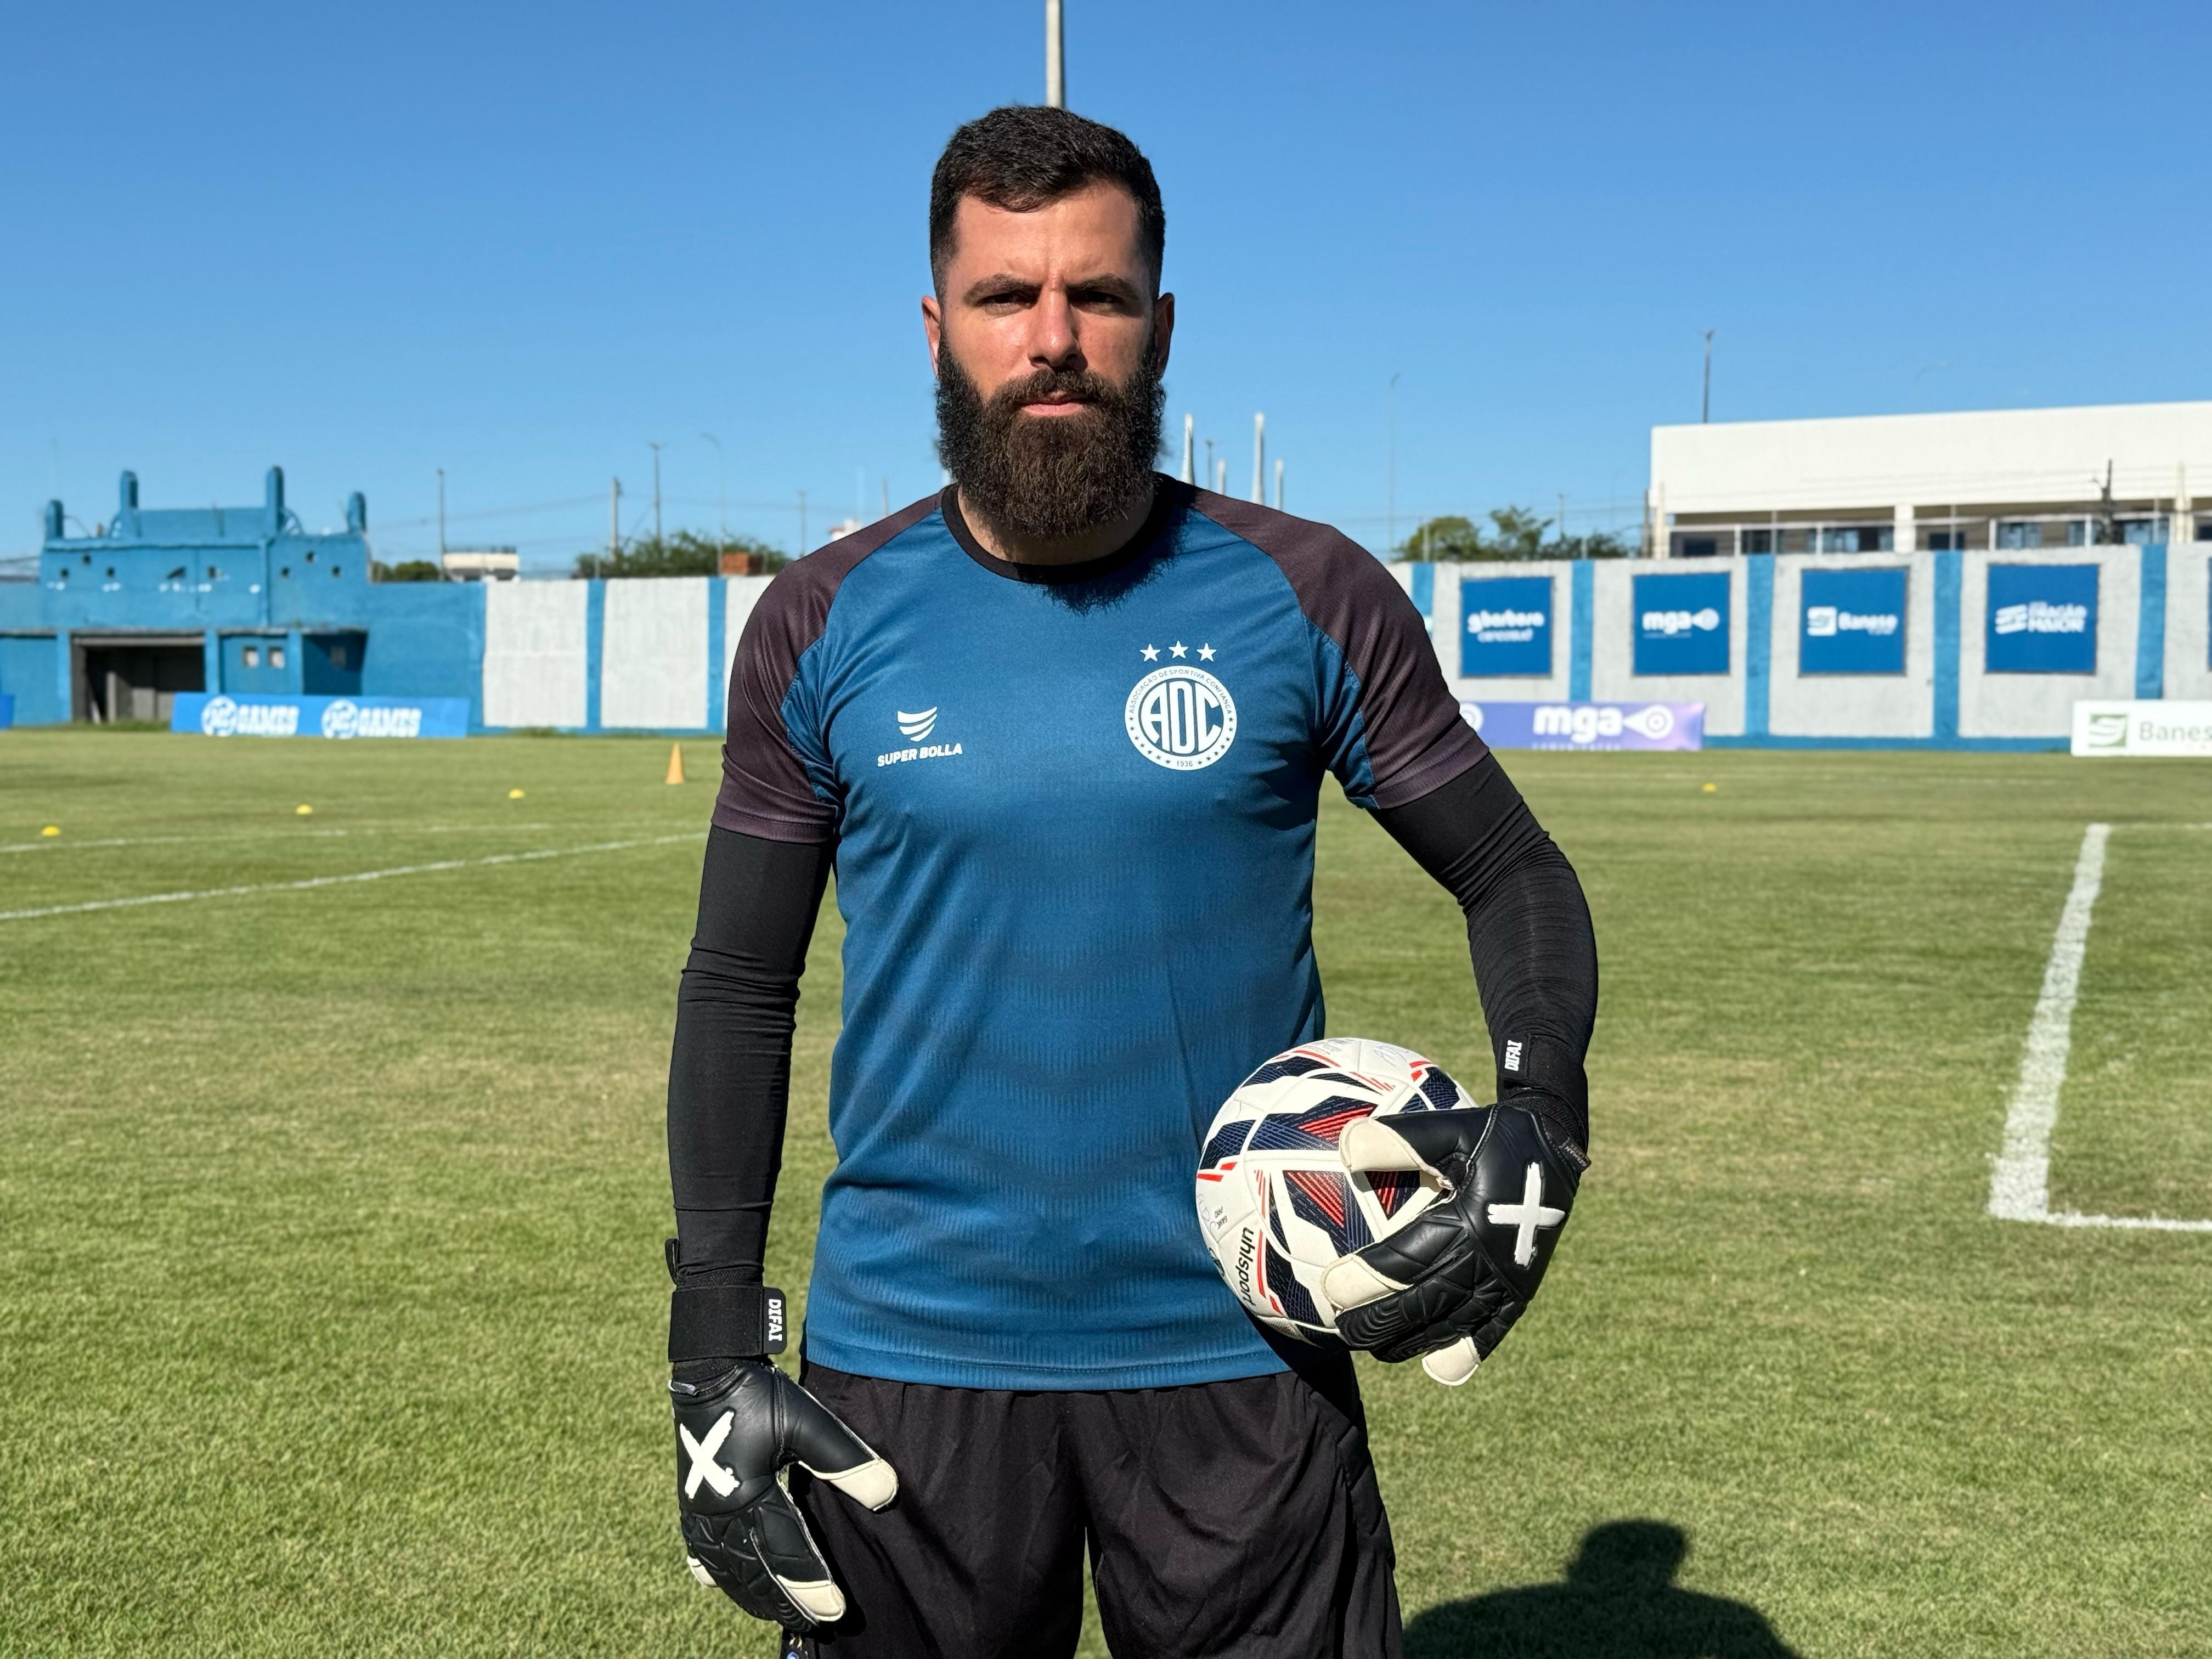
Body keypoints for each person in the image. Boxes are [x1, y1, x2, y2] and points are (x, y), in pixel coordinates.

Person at [663, 105, 1598, 1659]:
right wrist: (712, 1342)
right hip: (909, 1367)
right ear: (935, 326)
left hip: (1237, 1347)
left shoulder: (1304, 591)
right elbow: (738, 989)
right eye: (1003, 298)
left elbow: (1512, 871)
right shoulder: (823, 619)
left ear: (1159, 325)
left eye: (1096, 298)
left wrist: (1541, 1108)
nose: (1052, 341)